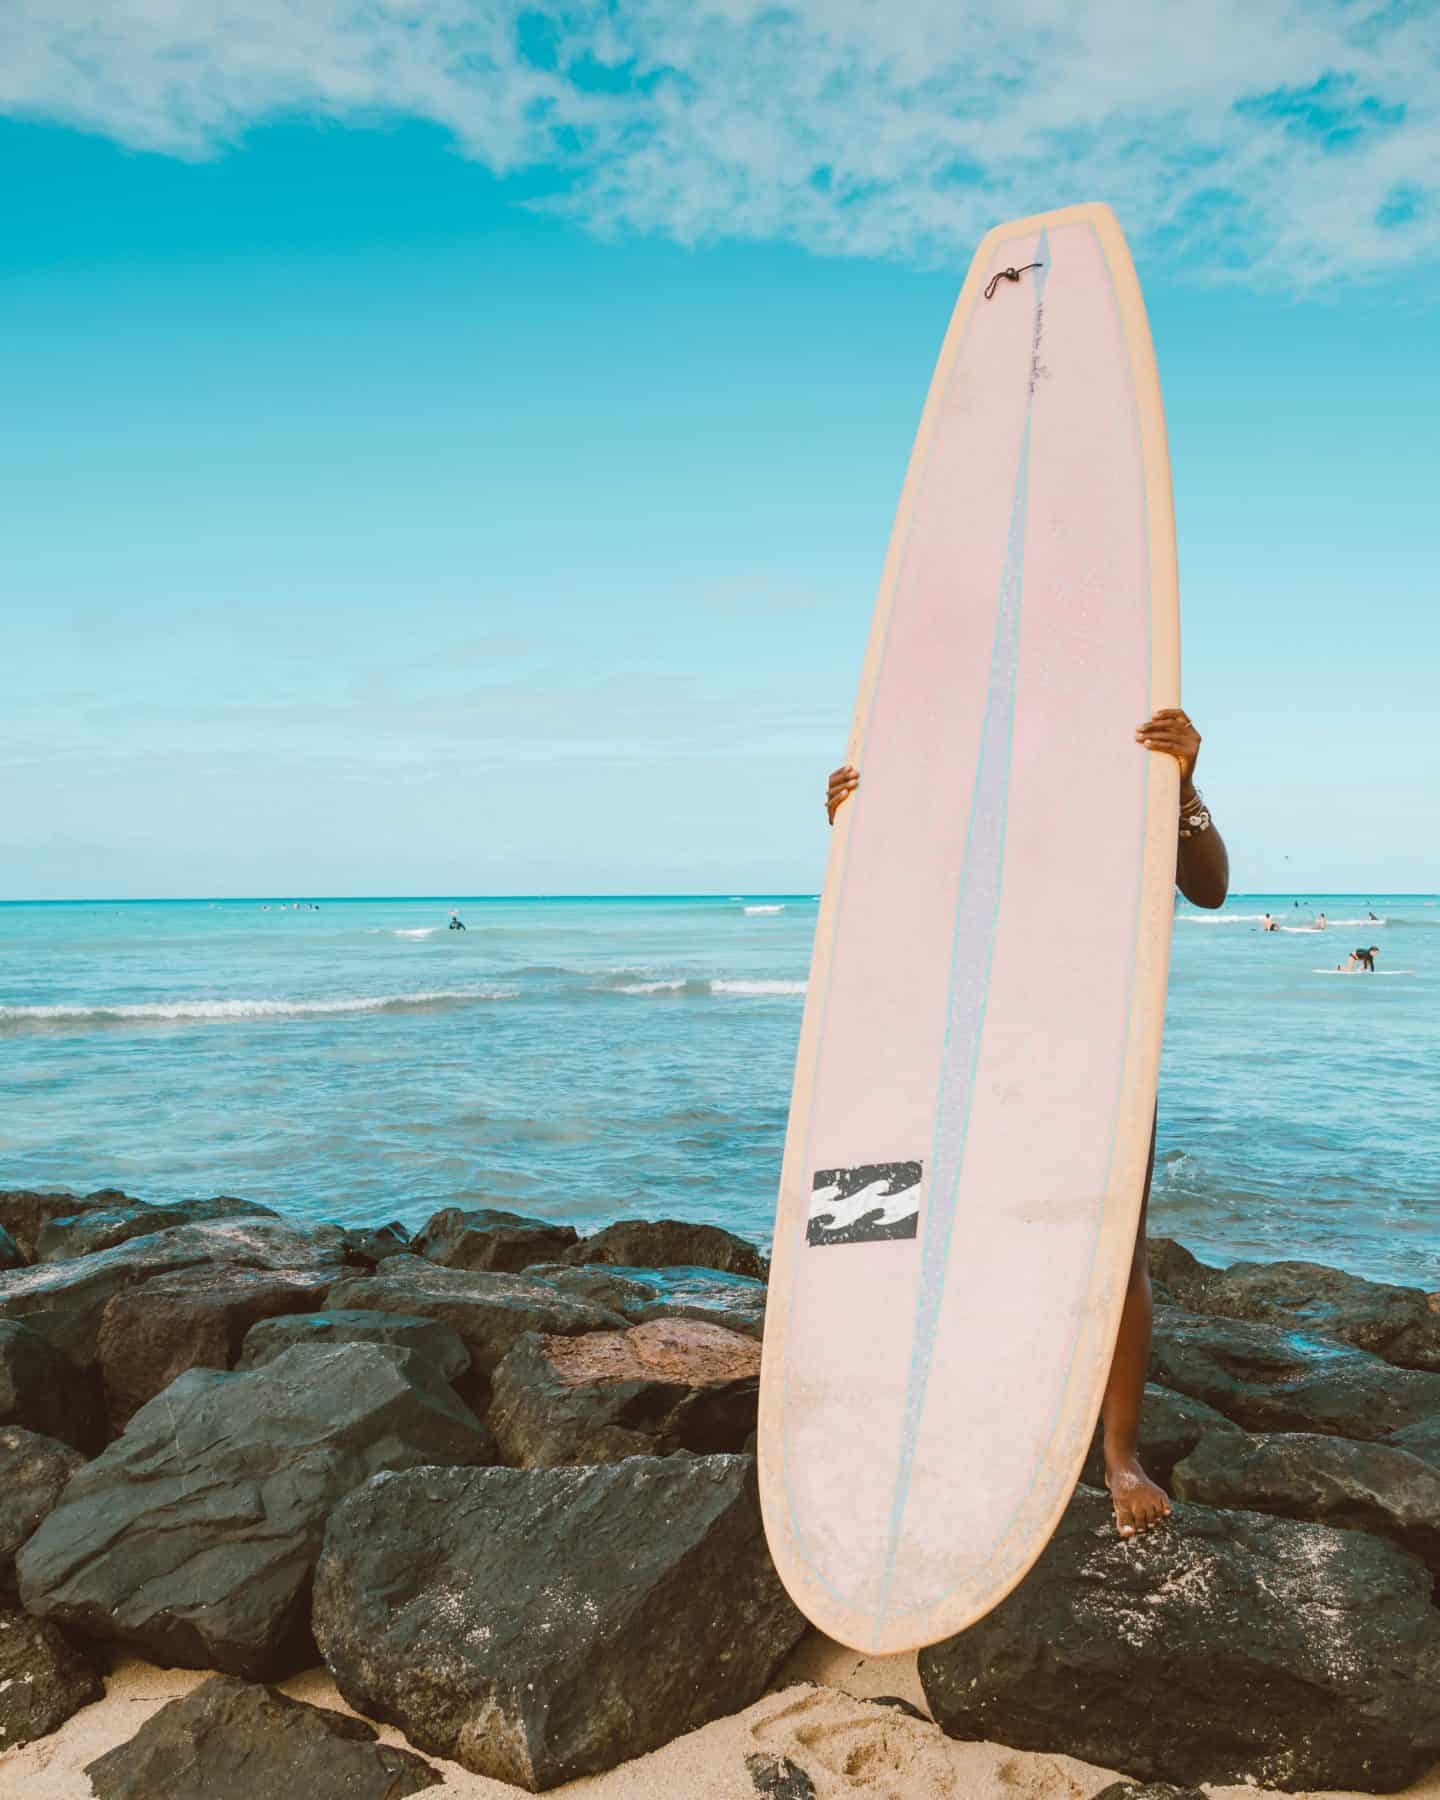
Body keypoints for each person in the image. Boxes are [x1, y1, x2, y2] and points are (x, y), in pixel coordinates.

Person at [826, 707, 1229, 1539]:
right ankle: (901, 1416)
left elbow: (1211, 887)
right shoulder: (957, 793)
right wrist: (853, 825)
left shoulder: (1124, 777)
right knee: (911, 1226)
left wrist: (1185, 786)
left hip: (1097, 1039)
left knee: (1114, 1247)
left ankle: (1119, 1456)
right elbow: (892, 906)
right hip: (956, 1040)